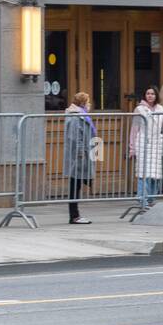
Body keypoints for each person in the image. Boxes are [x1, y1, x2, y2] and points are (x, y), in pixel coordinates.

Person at [65, 91, 97, 225]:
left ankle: (75, 215)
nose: (89, 105)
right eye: (88, 102)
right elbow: (76, 136)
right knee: (75, 184)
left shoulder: (81, 115)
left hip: (83, 153)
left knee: (76, 183)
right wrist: (80, 152)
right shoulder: (76, 116)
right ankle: (74, 216)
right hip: (79, 155)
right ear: (83, 103)